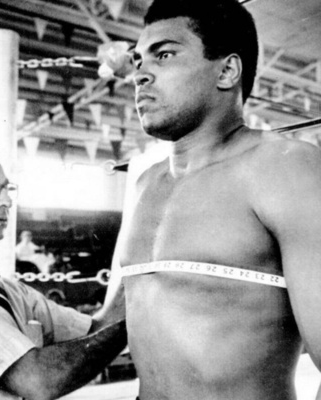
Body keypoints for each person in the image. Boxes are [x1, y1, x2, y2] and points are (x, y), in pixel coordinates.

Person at [102, 0, 321, 399]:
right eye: (137, 60)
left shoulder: (286, 167)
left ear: (227, 71)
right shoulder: (146, 183)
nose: (140, 74)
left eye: (164, 55)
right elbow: (112, 324)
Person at [0, 143, 126, 400]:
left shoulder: (7, 291)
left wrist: (142, 276)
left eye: (7, 189)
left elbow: (96, 333)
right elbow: (37, 381)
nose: (6, 201)